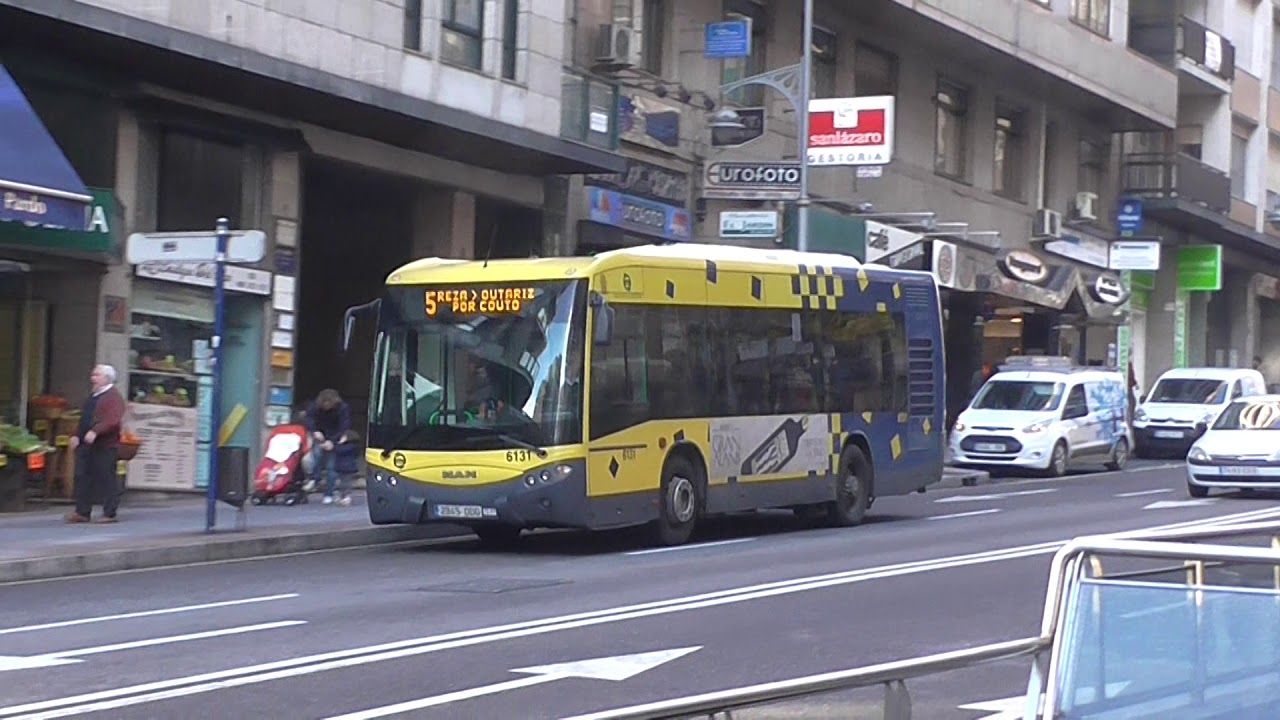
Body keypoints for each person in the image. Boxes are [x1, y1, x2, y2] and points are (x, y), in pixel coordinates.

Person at [65, 365, 126, 524]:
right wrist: (76, 435)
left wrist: (96, 431)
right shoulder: (93, 396)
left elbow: (112, 420)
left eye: (97, 375)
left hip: (105, 445)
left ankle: (109, 513)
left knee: (106, 478)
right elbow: (84, 418)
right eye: (93, 375)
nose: (93, 378)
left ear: (107, 378)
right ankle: (82, 512)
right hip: (86, 444)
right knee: (82, 476)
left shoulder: (113, 397)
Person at [305, 389, 351, 504]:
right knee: (316, 455)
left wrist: (332, 441)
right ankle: (315, 478)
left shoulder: (342, 408)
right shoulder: (315, 407)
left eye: (329, 404)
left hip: (334, 437)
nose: (326, 406)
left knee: (331, 467)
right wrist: (314, 431)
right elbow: (309, 419)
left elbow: (344, 426)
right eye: (324, 404)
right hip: (320, 435)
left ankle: (329, 493)